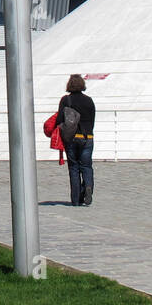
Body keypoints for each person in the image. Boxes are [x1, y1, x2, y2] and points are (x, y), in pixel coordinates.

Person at [57, 74, 95, 206]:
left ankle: (76, 199)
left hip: (71, 138)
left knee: (74, 167)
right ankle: (88, 187)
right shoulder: (89, 100)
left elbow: (59, 121)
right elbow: (92, 120)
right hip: (87, 137)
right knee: (86, 166)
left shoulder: (66, 100)